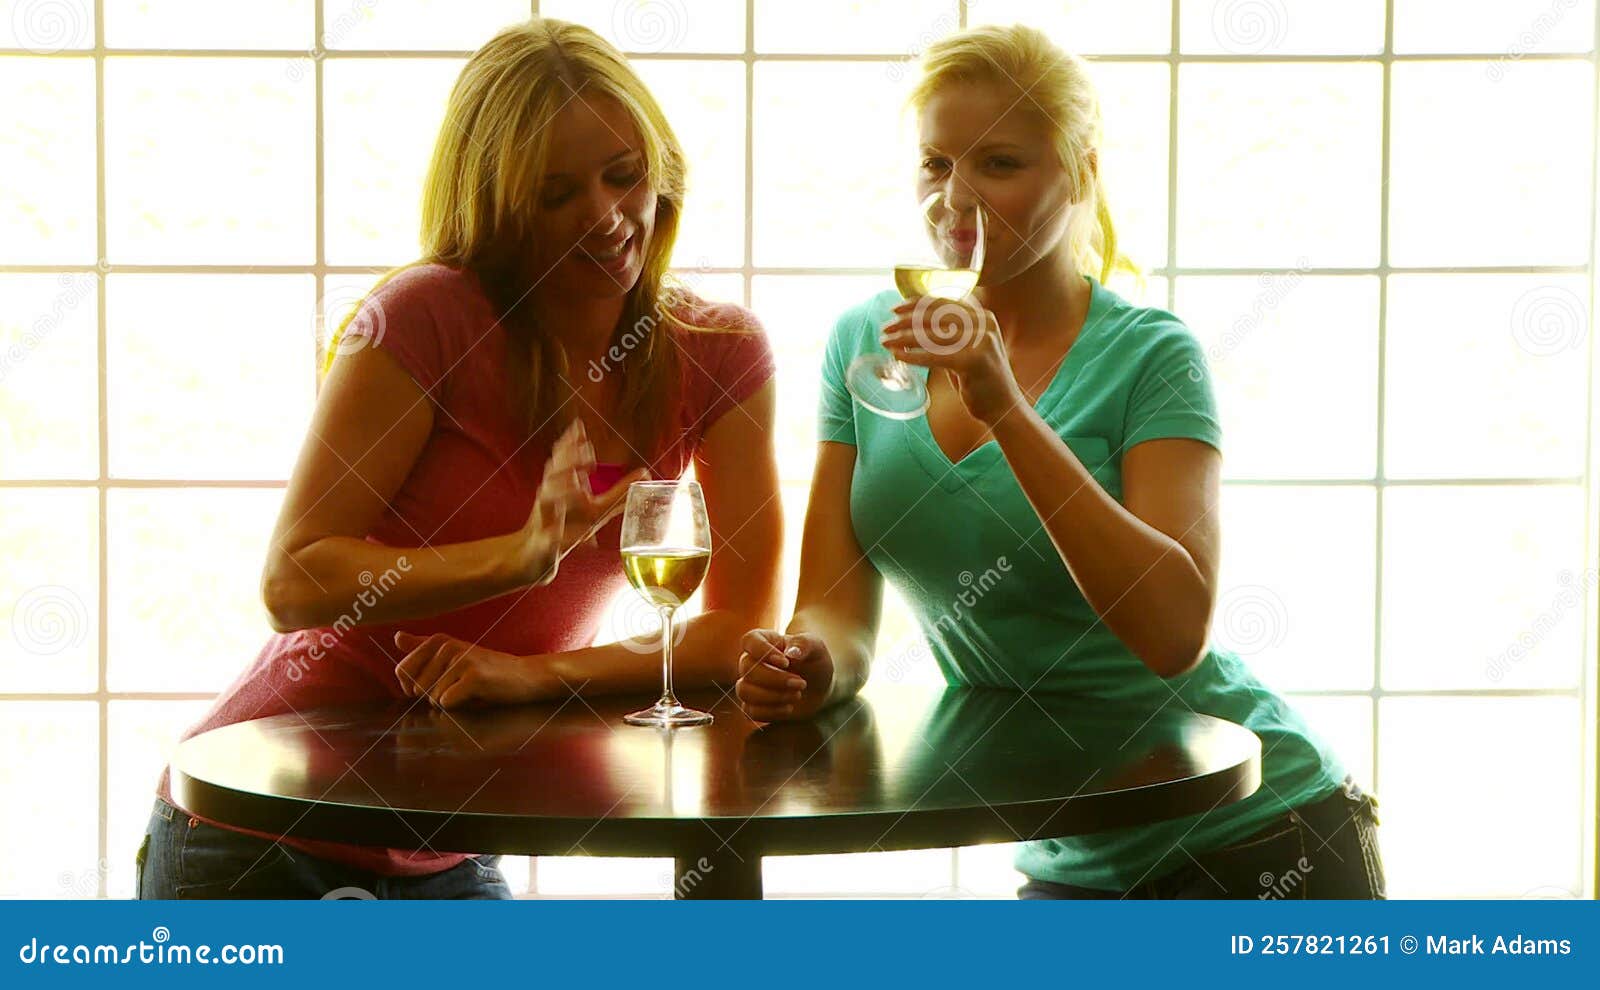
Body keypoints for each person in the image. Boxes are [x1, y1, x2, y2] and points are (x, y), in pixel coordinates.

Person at [733, 24, 1383, 899]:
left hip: (1249, 837)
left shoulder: (1152, 356)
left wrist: (1006, 408)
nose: (955, 199)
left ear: (1077, 172)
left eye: (999, 164)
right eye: (936, 164)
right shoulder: (863, 345)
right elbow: (837, 610)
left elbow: (1173, 630)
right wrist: (809, 667)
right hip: (1069, 852)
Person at [137, 18, 782, 900]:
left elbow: (733, 629)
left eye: (623, 177)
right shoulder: (422, 316)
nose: (605, 216)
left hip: (451, 837)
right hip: (265, 831)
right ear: (498, 202)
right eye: (556, 194)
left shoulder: (719, 350)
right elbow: (293, 582)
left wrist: (533, 676)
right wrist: (518, 558)